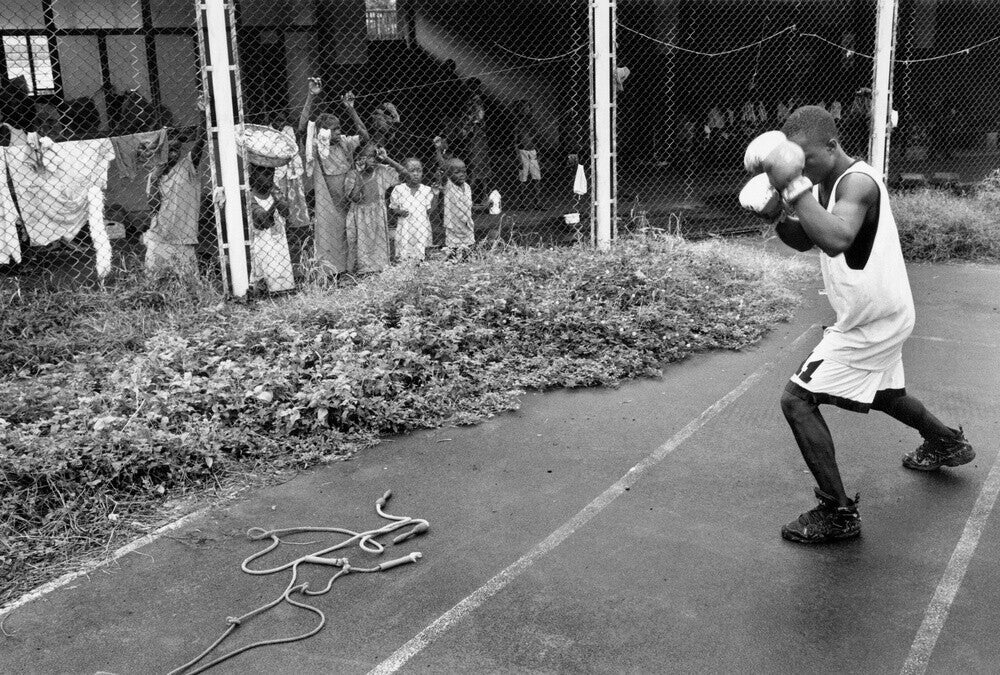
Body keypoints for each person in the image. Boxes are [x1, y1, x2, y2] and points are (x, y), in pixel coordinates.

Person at [743, 106, 974, 544]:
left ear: (832, 146)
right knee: (885, 394)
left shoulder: (859, 183)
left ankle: (837, 512)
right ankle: (946, 442)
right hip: (873, 312)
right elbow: (806, 237)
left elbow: (836, 239)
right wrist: (777, 216)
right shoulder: (822, 182)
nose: (801, 169)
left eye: (807, 160)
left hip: (873, 322)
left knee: (797, 401)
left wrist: (792, 186)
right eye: (796, 162)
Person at [300, 77, 370, 278]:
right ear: (323, 133)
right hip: (329, 200)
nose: (339, 132)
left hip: (348, 198)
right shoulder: (317, 149)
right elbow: (304, 127)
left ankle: (352, 269)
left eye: (340, 128)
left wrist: (351, 109)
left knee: (352, 233)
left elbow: (365, 136)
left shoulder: (345, 144)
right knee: (331, 235)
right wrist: (310, 97)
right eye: (334, 129)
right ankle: (332, 272)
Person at [143, 96, 206, 272]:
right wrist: (155, 178)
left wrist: (202, 114)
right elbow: (154, 207)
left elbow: (201, 140)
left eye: (177, 149)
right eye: (169, 150)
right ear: (162, 150)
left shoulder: (187, 166)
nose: (173, 154)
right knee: (156, 283)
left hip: (184, 238)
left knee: (188, 284)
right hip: (159, 238)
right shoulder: (154, 174)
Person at [343, 143, 405, 274]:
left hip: (377, 215)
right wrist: (360, 173)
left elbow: (404, 174)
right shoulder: (353, 175)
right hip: (359, 216)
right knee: (359, 244)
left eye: (374, 156)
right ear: (359, 159)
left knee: (378, 243)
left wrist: (386, 158)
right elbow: (356, 198)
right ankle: (360, 271)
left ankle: (377, 269)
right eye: (369, 157)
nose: (373, 160)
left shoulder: (381, 170)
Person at [248, 163, 295, 294]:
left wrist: (279, 198)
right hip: (263, 243)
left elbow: (286, 212)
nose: (270, 179)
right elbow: (263, 220)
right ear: (254, 176)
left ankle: (284, 288)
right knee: (267, 265)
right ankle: (265, 288)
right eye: (266, 175)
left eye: (272, 175)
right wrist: (275, 201)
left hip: (279, 239)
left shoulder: (274, 194)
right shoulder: (251, 197)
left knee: (282, 263)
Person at [433, 136, 483, 258]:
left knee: (469, 252)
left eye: (464, 171)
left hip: (467, 226)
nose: (462, 175)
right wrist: (438, 149)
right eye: (457, 172)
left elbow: (469, 206)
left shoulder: (467, 187)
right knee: (454, 254)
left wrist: (485, 206)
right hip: (454, 227)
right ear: (448, 174)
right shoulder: (449, 186)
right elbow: (443, 166)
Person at [389, 158, 436, 262]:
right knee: (404, 253)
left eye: (419, 171)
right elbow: (393, 208)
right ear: (404, 172)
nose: (416, 174)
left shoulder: (426, 190)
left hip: (421, 227)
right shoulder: (399, 189)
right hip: (405, 227)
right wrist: (399, 212)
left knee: (421, 253)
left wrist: (436, 195)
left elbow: (430, 211)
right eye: (412, 171)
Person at [514, 101, 542, 210]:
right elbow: (515, 141)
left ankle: (538, 203)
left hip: (532, 152)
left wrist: (538, 152)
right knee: (523, 179)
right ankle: (523, 203)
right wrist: (518, 157)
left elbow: (537, 138)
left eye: (527, 108)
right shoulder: (518, 123)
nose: (526, 110)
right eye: (523, 108)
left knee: (536, 178)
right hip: (522, 152)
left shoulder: (532, 122)